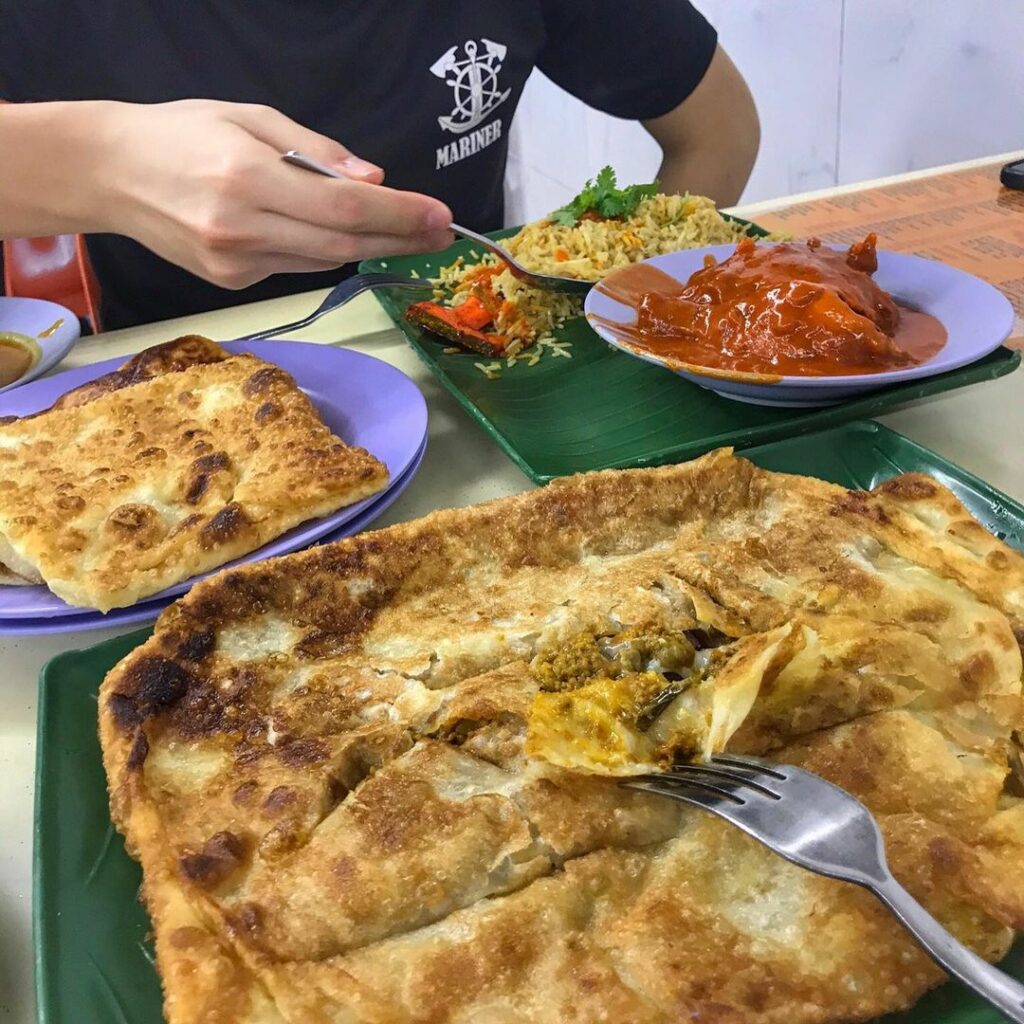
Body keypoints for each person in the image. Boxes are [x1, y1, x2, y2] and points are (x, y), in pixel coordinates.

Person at [0, 1, 759, 331]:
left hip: (478, 373)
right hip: (167, 412)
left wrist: (629, 298)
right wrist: (102, 160)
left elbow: (718, 127)